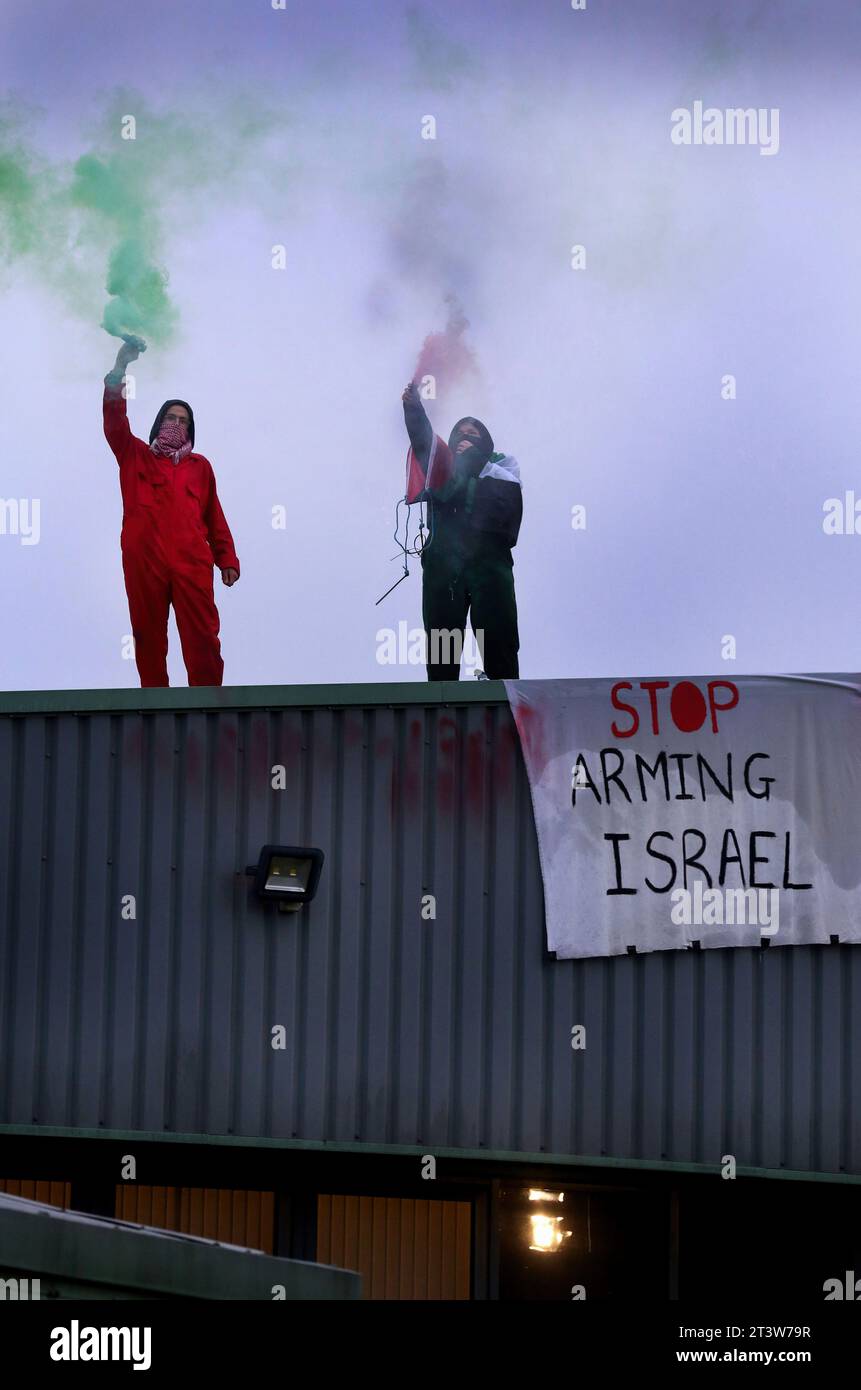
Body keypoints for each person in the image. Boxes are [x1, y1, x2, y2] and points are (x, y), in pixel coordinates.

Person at [103, 335, 240, 687]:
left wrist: (226, 558)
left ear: (190, 430)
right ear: (159, 422)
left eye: (183, 420)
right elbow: (114, 422)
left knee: (203, 636)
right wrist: (120, 368)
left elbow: (214, 516)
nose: (176, 424)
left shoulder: (199, 466)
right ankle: (154, 705)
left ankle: (208, 704)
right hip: (144, 557)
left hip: (191, 558)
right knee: (147, 634)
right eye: (170, 417)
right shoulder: (134, 455)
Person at [402, 381, 522, 680]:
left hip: (489, 562)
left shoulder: (502, 464)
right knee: (442, 638)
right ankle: (441, 701)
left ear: (486, 443)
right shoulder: (441, 465)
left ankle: (504, 698)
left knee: (498, 632)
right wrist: (414, 408)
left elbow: (506, 504)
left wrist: (469, 461)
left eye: (474, 434)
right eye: (461, 434)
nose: (466, 438)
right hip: (443, 561)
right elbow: (423, 443)